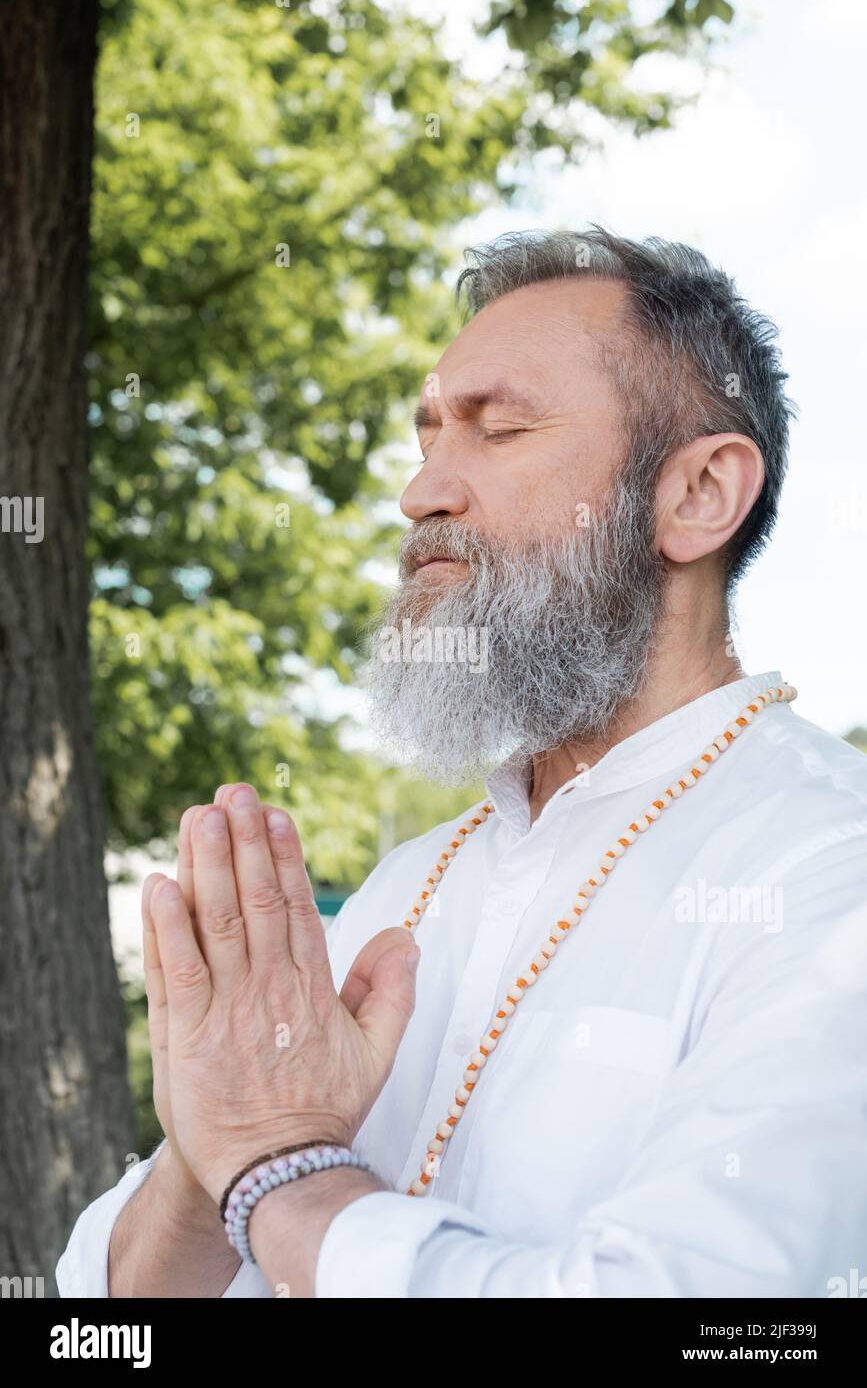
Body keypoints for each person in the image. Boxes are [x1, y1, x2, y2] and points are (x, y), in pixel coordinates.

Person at [57, 229, 867, 1298]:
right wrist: (212, 1154)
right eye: (429, 434)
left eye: (500, 430)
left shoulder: (827, 868)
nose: (421, 491)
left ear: (699, 495)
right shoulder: (407, 885)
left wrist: (285, 1172)